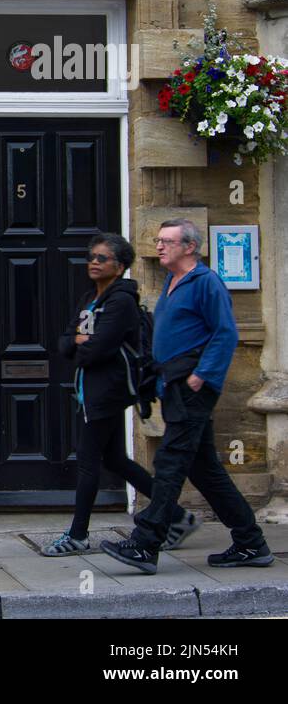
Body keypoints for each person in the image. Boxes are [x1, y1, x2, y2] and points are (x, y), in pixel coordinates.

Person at [101, 218, 273, 573]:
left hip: (192, 387)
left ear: (189, 247)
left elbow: (225, 333)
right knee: (205, 469)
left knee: (170, 462)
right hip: (174, 385)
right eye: (159, 240)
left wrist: (202, 376)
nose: (159, 246)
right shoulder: (172, 282)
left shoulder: (205, 282)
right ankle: (250, 543)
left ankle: (146, 544)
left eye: (167, 241)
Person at [41, 234, 198, 556]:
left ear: (120, 265)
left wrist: (81, 343)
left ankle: (78, 535)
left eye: (102, 258)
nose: (93, 263)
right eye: (91, 257)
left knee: (88, 462)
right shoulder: (91, 299)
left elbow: (96, 350)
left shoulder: (121, 301)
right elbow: (64, 341)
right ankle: (178, 516)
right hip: (92, 389)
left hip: (108, 391)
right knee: (114, 459)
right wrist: (78, 342)